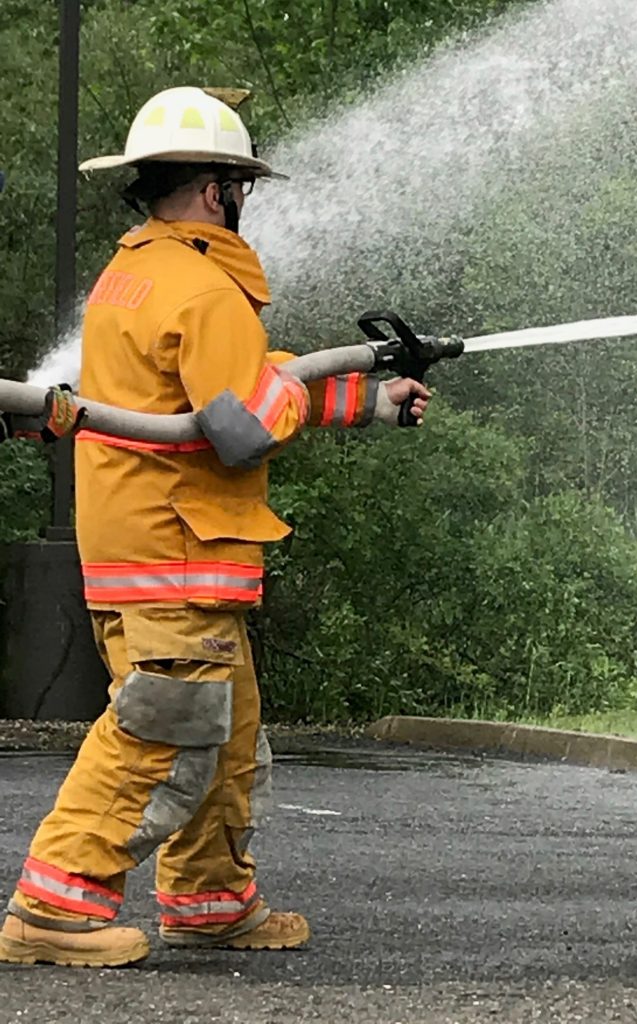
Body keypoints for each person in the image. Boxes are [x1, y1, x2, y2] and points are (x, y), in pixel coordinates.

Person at [0, 86, 430, 968]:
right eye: (241, 188)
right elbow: (245, 425)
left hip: (144, 546)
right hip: (175, 551)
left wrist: (368, 399)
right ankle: (52, 905)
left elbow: (220, 389)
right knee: (160, 729)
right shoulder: (204, 288)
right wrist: (312, 388)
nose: (243, 203)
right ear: (215, 189)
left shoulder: (136, 275)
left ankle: (209, 901)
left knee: (224, 736)